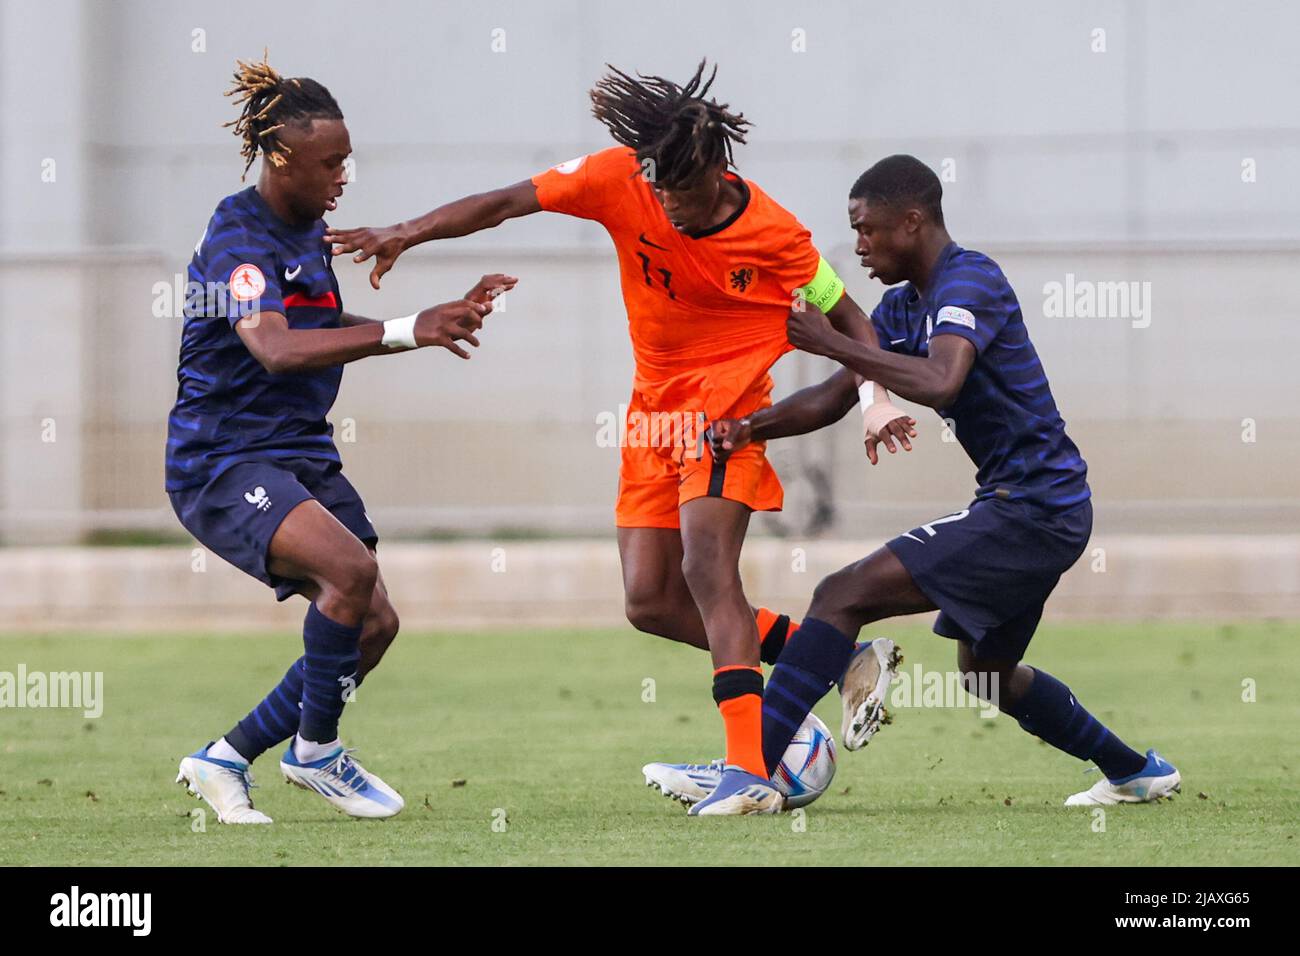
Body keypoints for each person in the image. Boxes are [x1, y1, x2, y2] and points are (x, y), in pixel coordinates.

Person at [326, 62, 915, 814]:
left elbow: (850, 316)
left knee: (708, 572)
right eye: (661, 190)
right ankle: (833, 656)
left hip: (725, 417)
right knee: (650, 602)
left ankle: (747, 772)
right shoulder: (620, 180)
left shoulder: (774, 232)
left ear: (717, 172)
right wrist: (409, 231)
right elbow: (508, 201)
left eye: (687, 194)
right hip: (651, 419)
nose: (671, 206)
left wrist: (874, 396)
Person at [693, 154, 1180, 808]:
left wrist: (836, 341)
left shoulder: (969, 280)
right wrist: (750, 428)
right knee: (987, 676)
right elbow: (837, 398)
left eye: (867, 230)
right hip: (1032, 508)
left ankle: (748, 773)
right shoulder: (902, 308)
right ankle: (1136, 772)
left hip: (1033, 508)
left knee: (841, 594)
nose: (859, 246)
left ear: (912, 222)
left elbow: (941, 378)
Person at [168, 54, 513, 823]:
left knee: (374, 622)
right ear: (281, 158)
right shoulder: (238, 238)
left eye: (348, 158)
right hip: (222, 458)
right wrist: (402, 330)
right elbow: (276, 348)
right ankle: (315, 751)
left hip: (296, 448)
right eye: (331, 161)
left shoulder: (309, 233)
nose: (345, 174)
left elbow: (318, 328)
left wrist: (428, 324)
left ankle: (224, 758)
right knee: (349, 574)